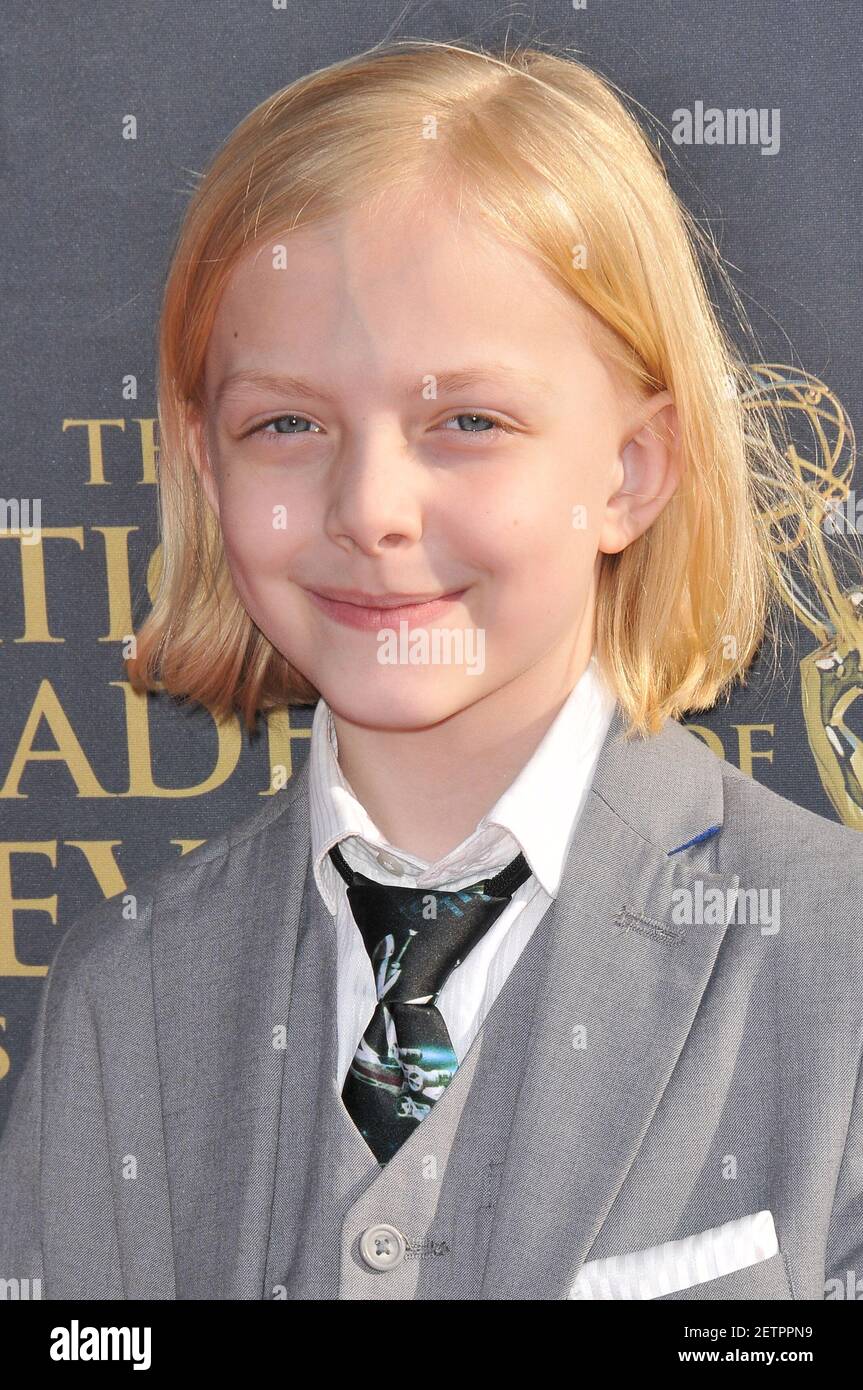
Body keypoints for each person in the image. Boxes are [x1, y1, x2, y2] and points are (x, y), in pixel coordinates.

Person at [1, 38, 861, 1301]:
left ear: (630, 468)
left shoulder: (835, 964)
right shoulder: (123, 994)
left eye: (466, 421)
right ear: (204, 462)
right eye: (286, 424)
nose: (370, 508)